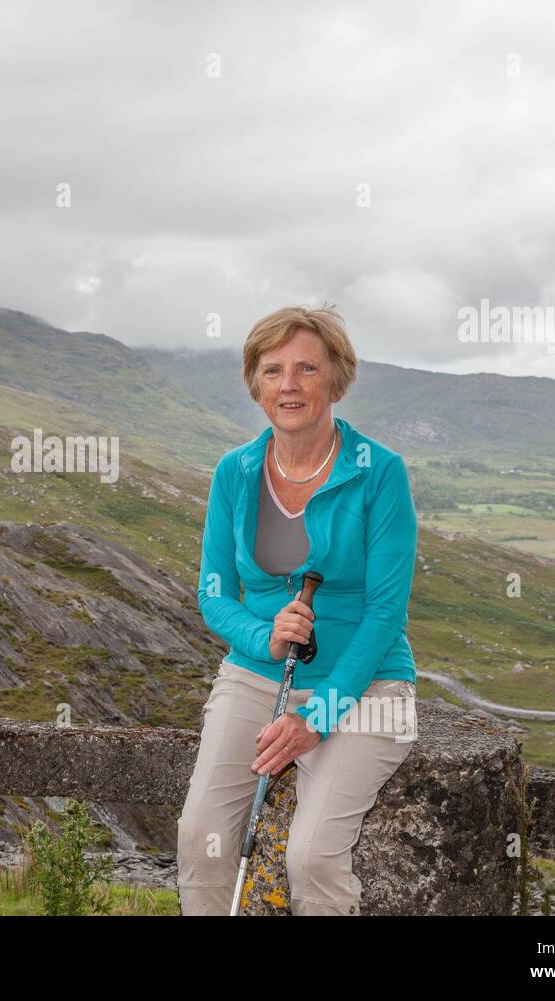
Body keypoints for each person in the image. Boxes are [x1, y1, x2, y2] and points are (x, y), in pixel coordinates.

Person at [177, 305, 419, 916]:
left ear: (335, 377)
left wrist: (322, 714)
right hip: (256, 675)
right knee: (199, 840)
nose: (289, 384)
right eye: (272, 370)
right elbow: (212, 594)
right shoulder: (234, 472)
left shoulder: (380, 472)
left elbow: (386, 611)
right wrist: (265, 637)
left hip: (368, 685)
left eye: (307, 368)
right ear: (255, 384)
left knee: (312, 856)